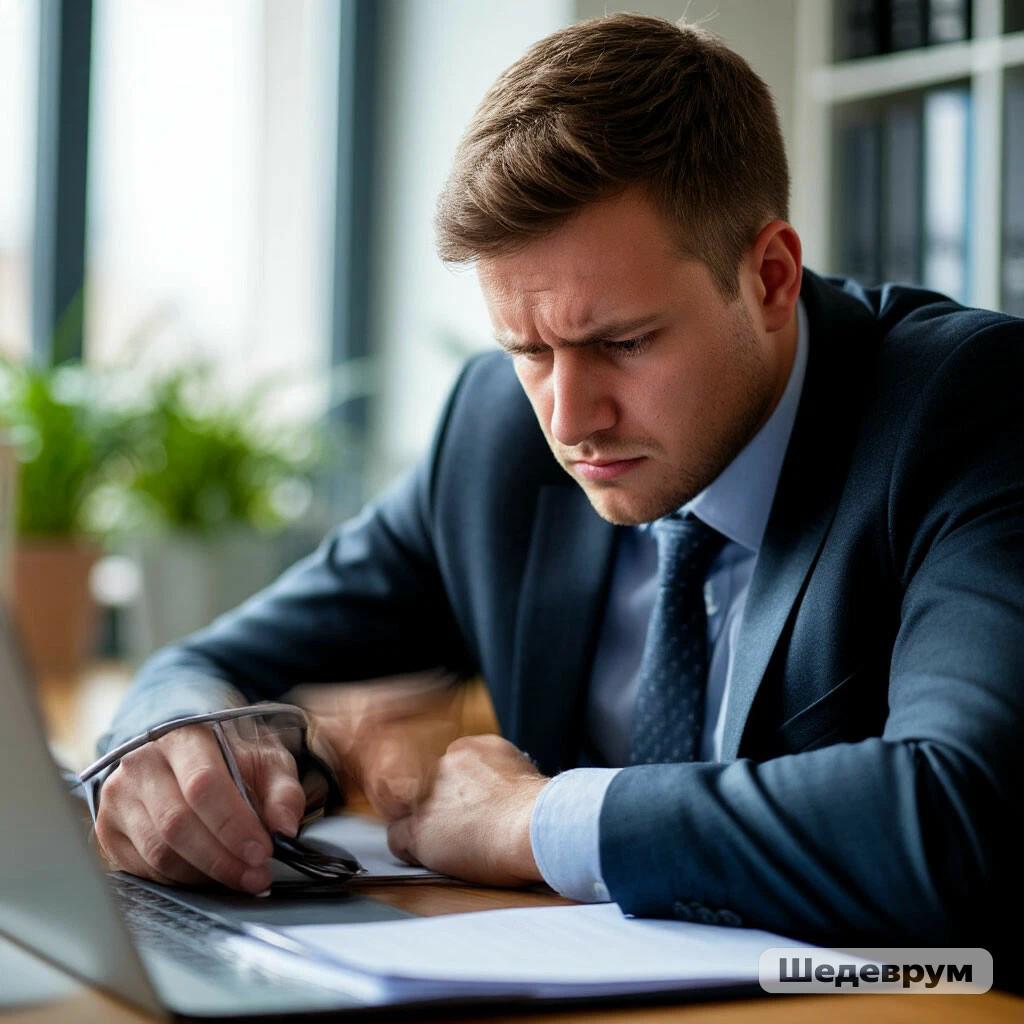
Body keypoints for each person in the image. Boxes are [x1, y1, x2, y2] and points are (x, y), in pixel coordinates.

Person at [94, 13, 1022, 968]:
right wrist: (175, 752)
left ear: (771, 277)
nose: (571, 419)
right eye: (529, 350)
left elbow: (968, 815)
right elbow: (211, 668)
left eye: (623, 342)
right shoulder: (494, 433)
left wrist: (536, 821)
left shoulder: (974, 407)